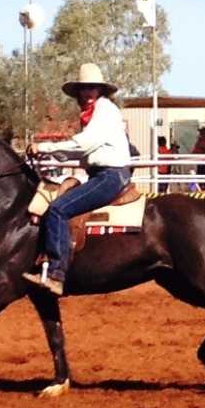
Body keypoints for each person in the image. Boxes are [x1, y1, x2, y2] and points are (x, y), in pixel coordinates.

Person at [31, 62, 133, 294]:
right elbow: (82, 150)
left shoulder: (104, 111)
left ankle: (56, 273)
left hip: (110, 176)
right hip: (104, 174)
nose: (87, 93)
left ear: (100, 91)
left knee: (57, 209)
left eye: (92, 88)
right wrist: (53, 155)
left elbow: (84, 143)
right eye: (84, 89)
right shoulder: (94, 113)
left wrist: (45, 147)